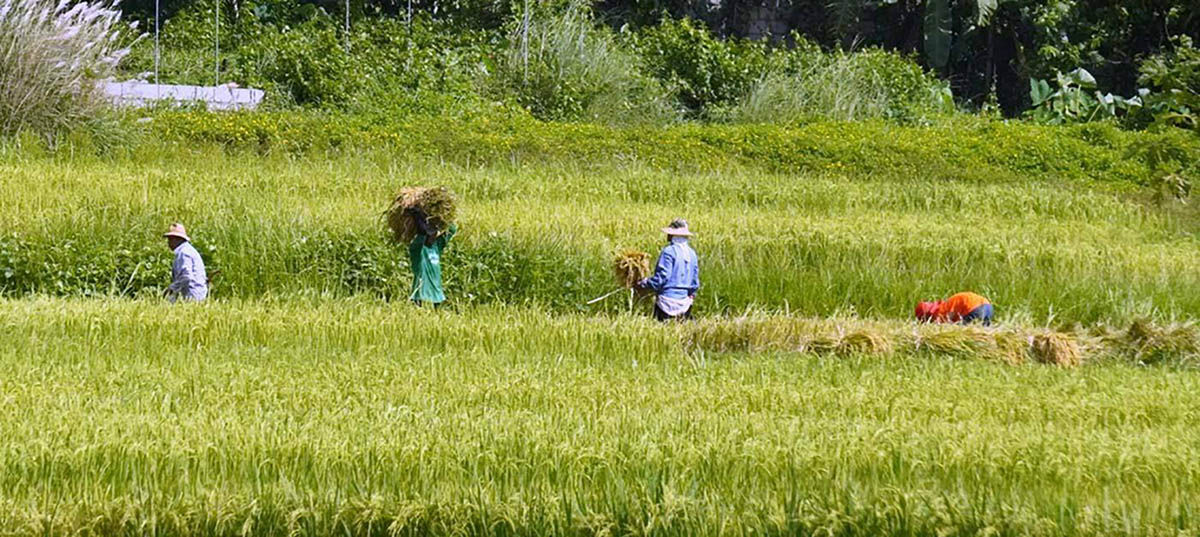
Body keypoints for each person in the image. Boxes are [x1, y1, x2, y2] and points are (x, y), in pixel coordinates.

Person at [637, 218, 700, 321]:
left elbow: (662, 278)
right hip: (685, 303)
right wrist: (691, 294)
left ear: (673, 235)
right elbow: (695, 282)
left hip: (666, 302)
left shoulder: (669, 252)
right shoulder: (692, 253)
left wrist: (645, 283)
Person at [407, 208, 457, 307]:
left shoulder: (436, 246)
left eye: (434, 235)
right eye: (431, 235)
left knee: (437, 303)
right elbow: (422, 232)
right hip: (421, 284)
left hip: (436, 283)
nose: (433, 237)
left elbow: (452, 229)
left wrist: (441, 216)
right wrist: (417, 213)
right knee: (418, 299)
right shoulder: (419, 248)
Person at [163, 223, 208, 303]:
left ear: (177, 239)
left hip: (192, 295)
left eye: (170, 239)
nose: (168, 243)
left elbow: (186, 276)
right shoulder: (187, 250)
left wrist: (171, 289)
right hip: (197, 294)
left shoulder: (184, 253)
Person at [915, 291, 993, 326]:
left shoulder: (941, 311)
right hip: (988, 306)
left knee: (963, 334)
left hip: (974, 309)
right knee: (983, 332)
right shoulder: (947, 303)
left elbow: (946, 325)